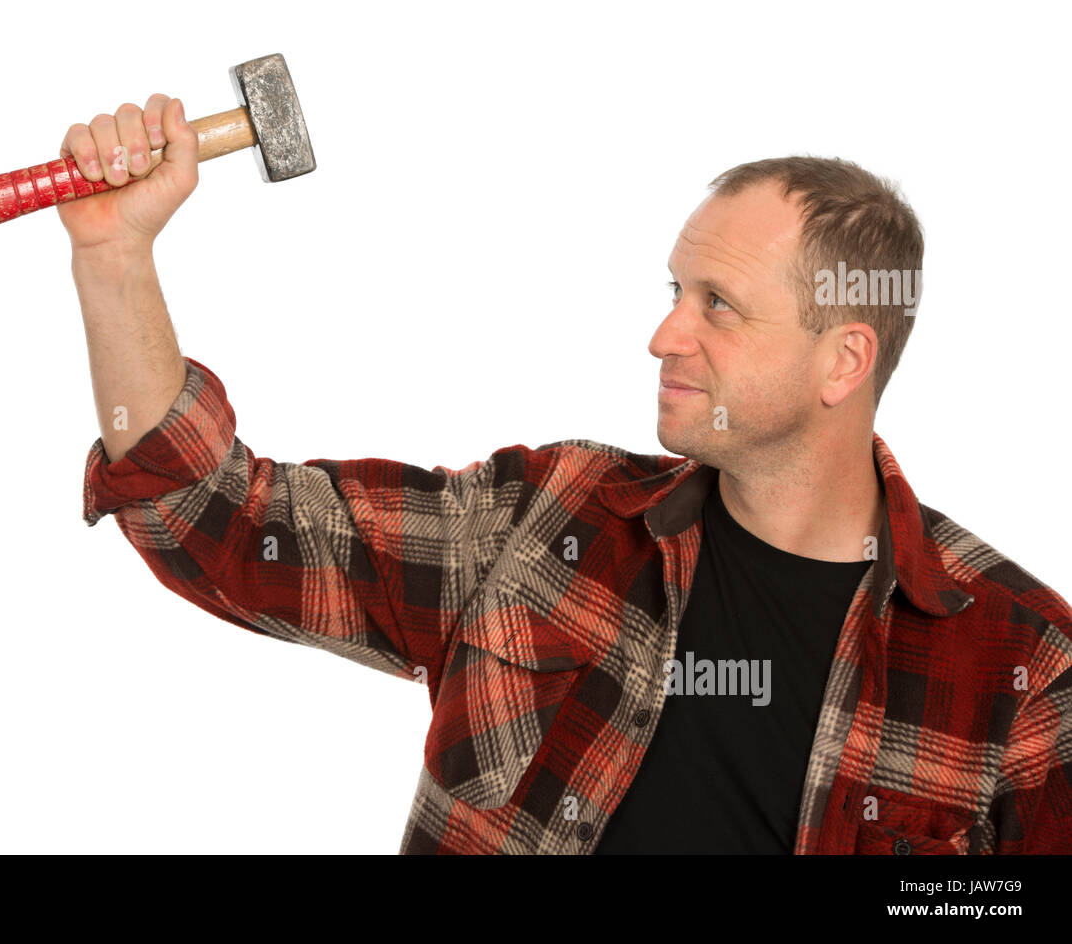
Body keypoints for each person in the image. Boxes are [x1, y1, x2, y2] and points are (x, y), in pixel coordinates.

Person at [61, 94, 1072, 854]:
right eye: (675, 290)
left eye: (717, 304)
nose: (661, 334)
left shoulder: (1020, 663)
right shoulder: (546, 522)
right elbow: (218, 523)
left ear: (842, 360)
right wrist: (115, 258)